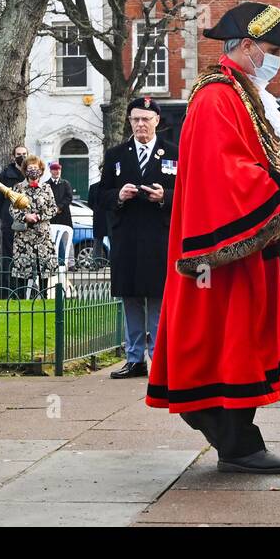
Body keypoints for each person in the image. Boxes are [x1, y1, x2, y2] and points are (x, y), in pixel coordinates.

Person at [146, 1, 280, 475]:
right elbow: (222, 172)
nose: (278, 60)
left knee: (242, 339)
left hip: (258, 246)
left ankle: (236, 437)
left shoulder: (242, 94)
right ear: (247, 46)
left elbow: (262, 164)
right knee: (230, 340)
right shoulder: (217, 96)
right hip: (229, 253)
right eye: (272, 50)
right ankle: (236, 439)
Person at [101, 96, 178, 379]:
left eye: (146, 119)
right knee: (131, 298)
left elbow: (188, 193)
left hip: (159, 237)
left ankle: (159, 359)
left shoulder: (174, 153)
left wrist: (164, 197)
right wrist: (118, 196)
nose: (140, 124)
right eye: (135, 119)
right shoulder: (116, 155)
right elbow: (101, 195)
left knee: (158, 299)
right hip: (128, 238)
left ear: (157, 120)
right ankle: (134, 359)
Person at [9, 155, 58, 297]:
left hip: (43, 234)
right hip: (23, 234)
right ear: (25, 170)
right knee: (23, 267)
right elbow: (12, 209)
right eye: (30, 168)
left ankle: (44, 295)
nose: (33, 171)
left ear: (41, 170)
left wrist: (39, 217)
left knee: (44, 266)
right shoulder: (18, 187)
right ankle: (21, 297)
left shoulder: (47, 188)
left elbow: (53, 208)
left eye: (35, 168)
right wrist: (25, 216)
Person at [0, 145, 29, 290]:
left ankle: (26, 288)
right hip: (10, 221)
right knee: (9, 256)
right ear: (13, 157)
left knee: (26, 256)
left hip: (27, 221)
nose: (22, 156)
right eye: (19, 154)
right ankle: (9, 288)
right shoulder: (5, 175)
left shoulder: (31, 173)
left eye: (24, 154)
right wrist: (5, 216)